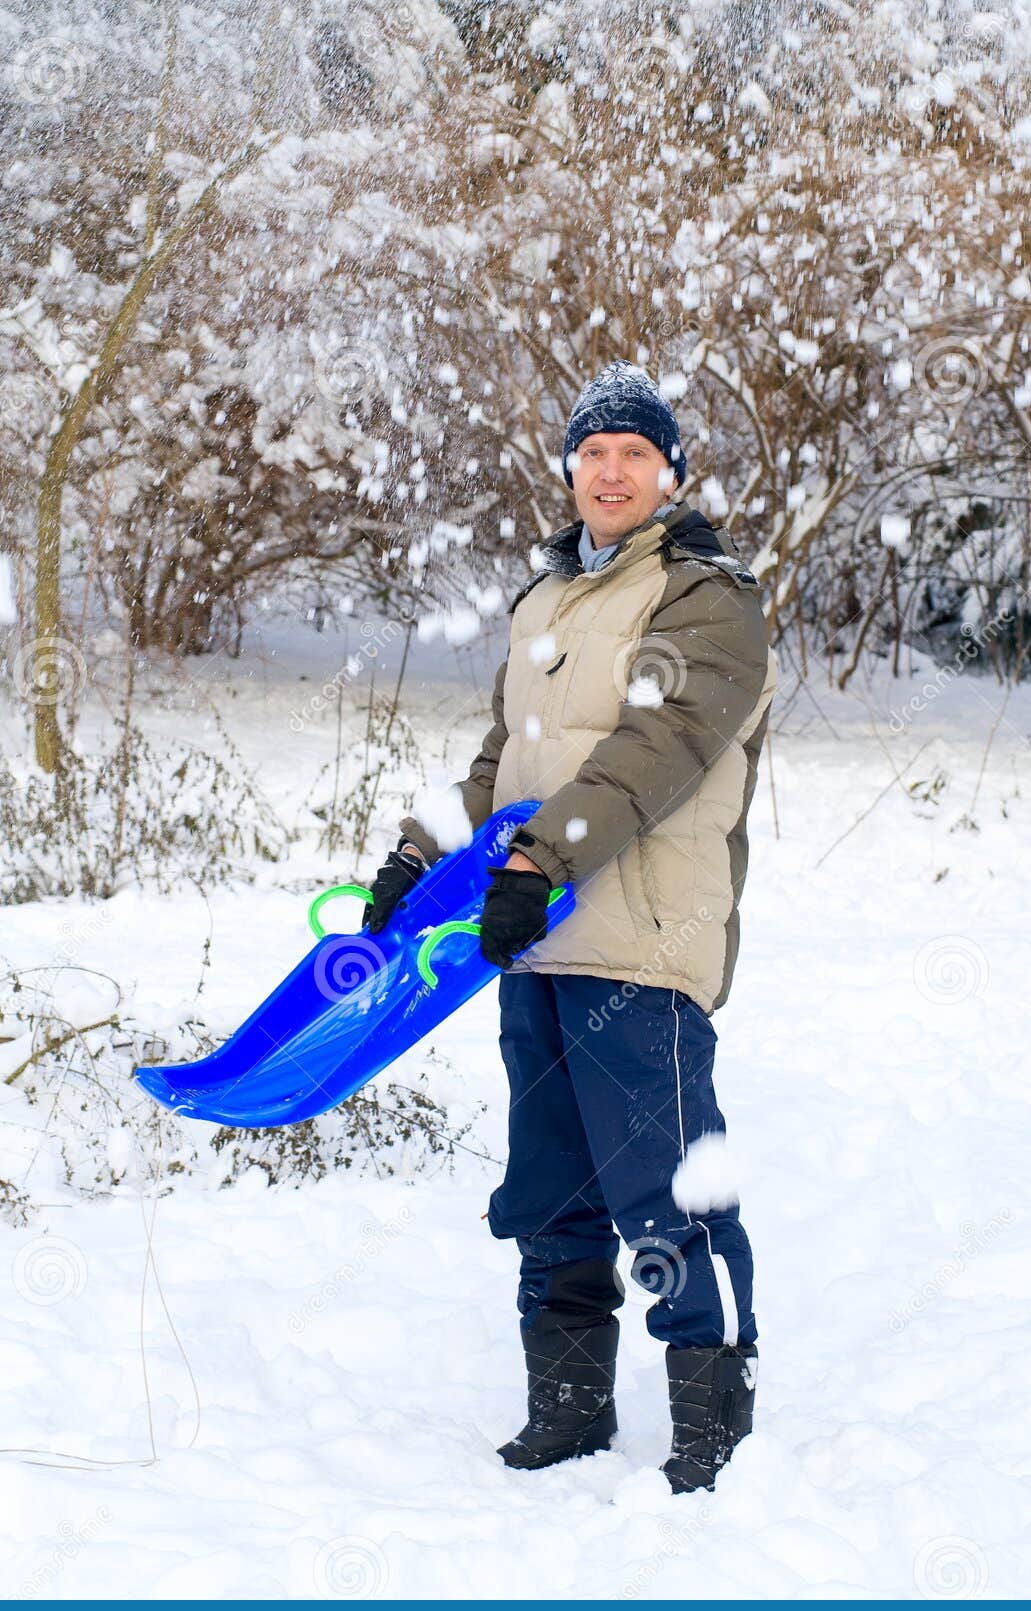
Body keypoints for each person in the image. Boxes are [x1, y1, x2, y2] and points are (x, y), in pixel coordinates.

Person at [364, 361, 777, 1493]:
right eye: (593, 452)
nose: (611, 470)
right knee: (548, 1185)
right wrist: (424, 848)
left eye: (635, 453)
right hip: (534, 936)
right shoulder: (545, 598)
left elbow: (657, 747)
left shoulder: (708, 594)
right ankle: (570, 1407)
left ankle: (713, 1407)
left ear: (671, 473)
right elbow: (511, 758)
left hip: (641, 935)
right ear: (570, 469)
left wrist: (544, 855)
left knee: (664, 1184)